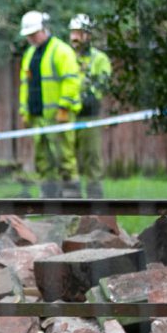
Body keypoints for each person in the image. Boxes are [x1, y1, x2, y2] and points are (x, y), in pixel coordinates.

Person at [17, 10, 82, 198]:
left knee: (64, 156)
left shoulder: (61, 51)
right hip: (38, 117)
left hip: (58, 116)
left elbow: (71, 81)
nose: (31, 38)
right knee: (42, 158)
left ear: (44, 29)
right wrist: (24, 111)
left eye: (34, 34)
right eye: (28, 35)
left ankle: (72, 195)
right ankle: (49, 195)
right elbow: (25, 86)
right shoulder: (29, 54)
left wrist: (64, 107)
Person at [68, 13, 112, 199]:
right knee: (70, 159)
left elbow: (103, 84)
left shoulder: (99, 59)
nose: (74, 37)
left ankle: (96, 202)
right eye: (72, 33)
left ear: (88, 35)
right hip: (69, 115)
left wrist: (87, 96)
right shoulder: (66, 56)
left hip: (89, 115)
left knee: (92, 158)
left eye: (79, 33)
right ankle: (73, 201)